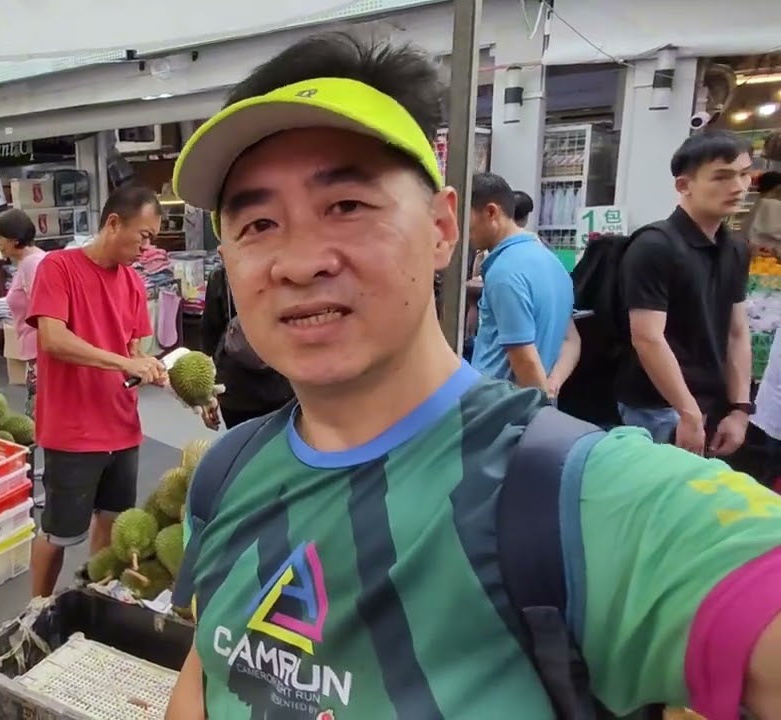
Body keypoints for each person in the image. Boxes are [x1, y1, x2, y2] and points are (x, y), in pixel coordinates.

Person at [164, 32, 781, 720]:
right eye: (257, 224)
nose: (299, 261)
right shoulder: (223, 478)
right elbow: (208, 672)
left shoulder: (578, 499)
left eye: (346, 206)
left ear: (442, 226)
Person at [25, 184, 168, 598]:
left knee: (110, 525)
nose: (147, 247)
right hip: (73, 430)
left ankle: (94, 597)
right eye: (144, 236)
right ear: (113, 223)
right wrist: (125, 362)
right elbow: (53, 339)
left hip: (123, 428)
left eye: (153, 239)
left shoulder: (134, 285)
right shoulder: (59, 268)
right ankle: (36, 608)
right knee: (57, 531)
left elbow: (133, 349)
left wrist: (151, 369)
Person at [618, 130, 753, 454]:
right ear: (684, 185)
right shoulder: (654, 246)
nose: (737, 187)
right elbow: (648, 338)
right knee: (653, 500)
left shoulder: (735, 249)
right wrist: (687, 411)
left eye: (744, 174)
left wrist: (740, 409)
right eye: (721, 177)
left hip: (710, 406)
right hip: (656, 408)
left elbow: (737, 332)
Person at [468, 172, 578, 394]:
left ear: (491, 212)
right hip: (533, 403)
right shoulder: (552, 262)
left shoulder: (504, 272)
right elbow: (571, 341)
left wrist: (539, 403)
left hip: (499, 407)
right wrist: (552, 385)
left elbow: (523, 356)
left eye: (464, 217)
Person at [199, 265, 293, 428]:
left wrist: (207, 397)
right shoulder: (285, 273)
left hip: (235, 389)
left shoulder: (222, 275)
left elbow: (209, 338)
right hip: (282, 385)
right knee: (283, 445)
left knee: (244, 448)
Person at [0, 208, 46, 417]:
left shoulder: (31, 265)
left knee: (40, 414)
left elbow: (46, 311)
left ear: (15, 240)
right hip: (37, 351)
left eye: (0, 238)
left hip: (42, 353)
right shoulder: (30, 261)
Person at [747, 171, 781, 253]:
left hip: (756, 253)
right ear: (778, 188)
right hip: (769, 256)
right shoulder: (772, 204)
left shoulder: (759, 203)